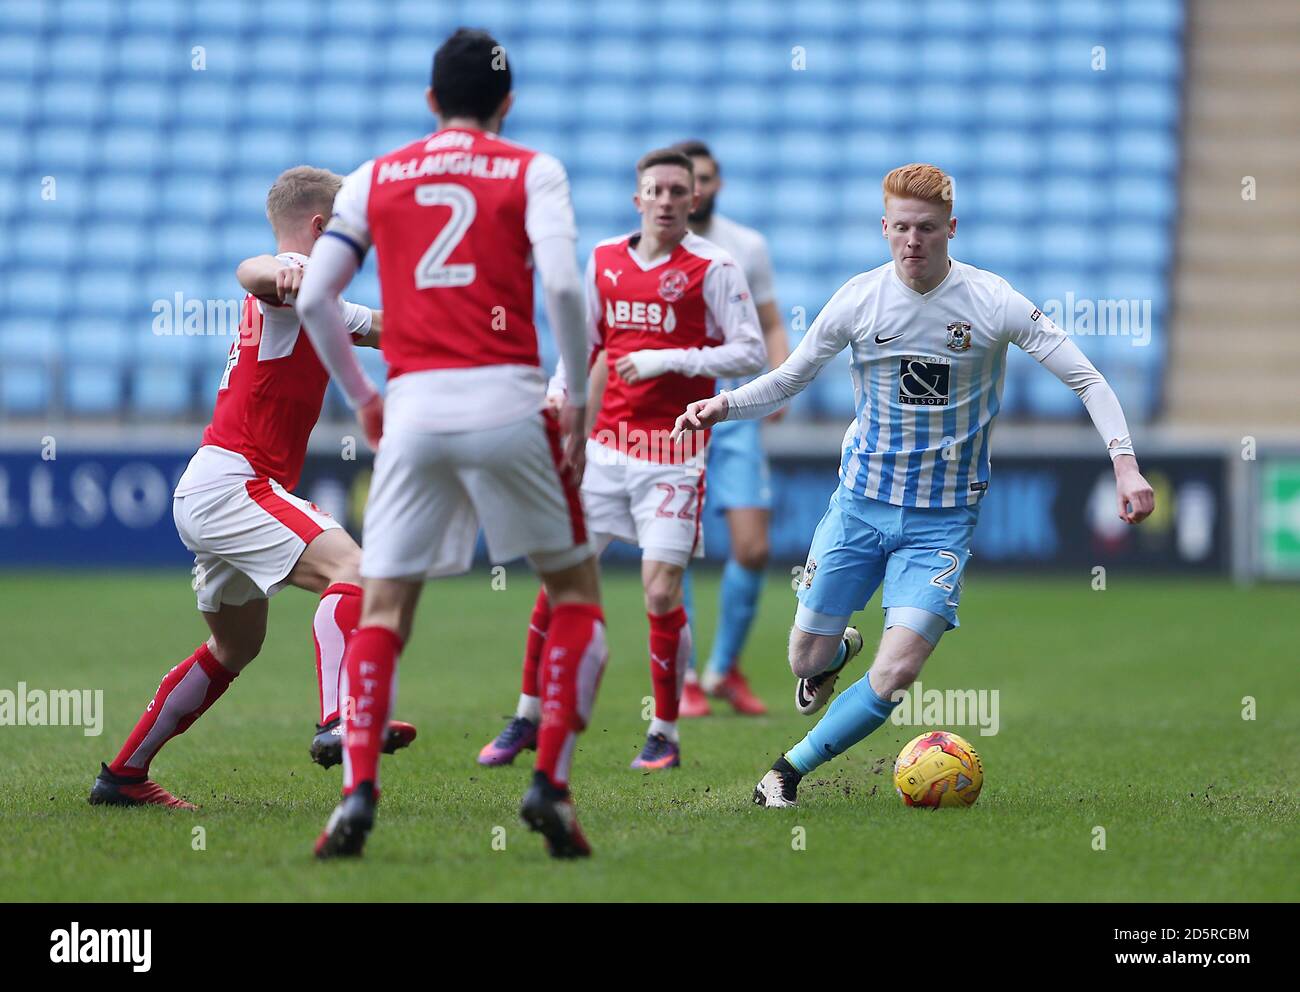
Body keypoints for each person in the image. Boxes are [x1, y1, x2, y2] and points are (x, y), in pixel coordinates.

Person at [672, 163, 1156, 806]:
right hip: (860, 507)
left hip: (943, 520)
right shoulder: (857, 300)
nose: (913, 242)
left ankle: (784, 772)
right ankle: (836, 649)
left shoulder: (992, 302)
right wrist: (721, 406)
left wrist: (1125, 463)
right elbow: (789, 378)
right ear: (883, 228)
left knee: (898, 669)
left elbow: (1087, 379)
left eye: (927, 228)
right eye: (900, 228)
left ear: (951, 228)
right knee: (804, 660)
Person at [297, 29, 604, 859]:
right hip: (507, 397)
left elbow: (320, 294)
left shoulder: (375, 177)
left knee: (385, 610)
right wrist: (573, 396)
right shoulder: (531, 169)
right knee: (575, 599)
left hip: (415, 409)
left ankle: (357, 794)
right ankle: (550, 786)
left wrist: (363, 399)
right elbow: (569, 286)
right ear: (507, 104)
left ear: (430, 101)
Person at [89, 166, 414, 811]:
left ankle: (123, 777)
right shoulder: (291, 280)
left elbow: (385, 329)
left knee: (236, 645)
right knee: (355, 570)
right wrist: (279, 269)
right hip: (237, 482)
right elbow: (256, 272)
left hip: (211, 485)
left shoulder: (313, 294)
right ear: (322, 227)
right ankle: (339, 719)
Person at [477, 147, 765, 772]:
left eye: (676, 191)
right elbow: (584, 343)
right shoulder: (604, 259)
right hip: (606, 448)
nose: (665, 200)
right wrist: (561, 394)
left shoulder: (714, 267)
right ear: (638, 200)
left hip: (673, 450)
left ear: (694, 201)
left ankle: (664, 731)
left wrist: (674, 359)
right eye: (654, 190)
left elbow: (751, 352)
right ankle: (526, 715)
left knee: (659, 591)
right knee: (560, 582)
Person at [672, 139, 790, 718]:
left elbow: (770, 321)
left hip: (734, 405)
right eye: (687, 179)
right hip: (673, 408)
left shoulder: (747, 246)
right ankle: (686, 676)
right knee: (676, 546)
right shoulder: (653, 247)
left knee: (753, 545)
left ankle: (723, 669)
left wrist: (782, 380)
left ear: (717, 185)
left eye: (707, 179)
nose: (697, 188)